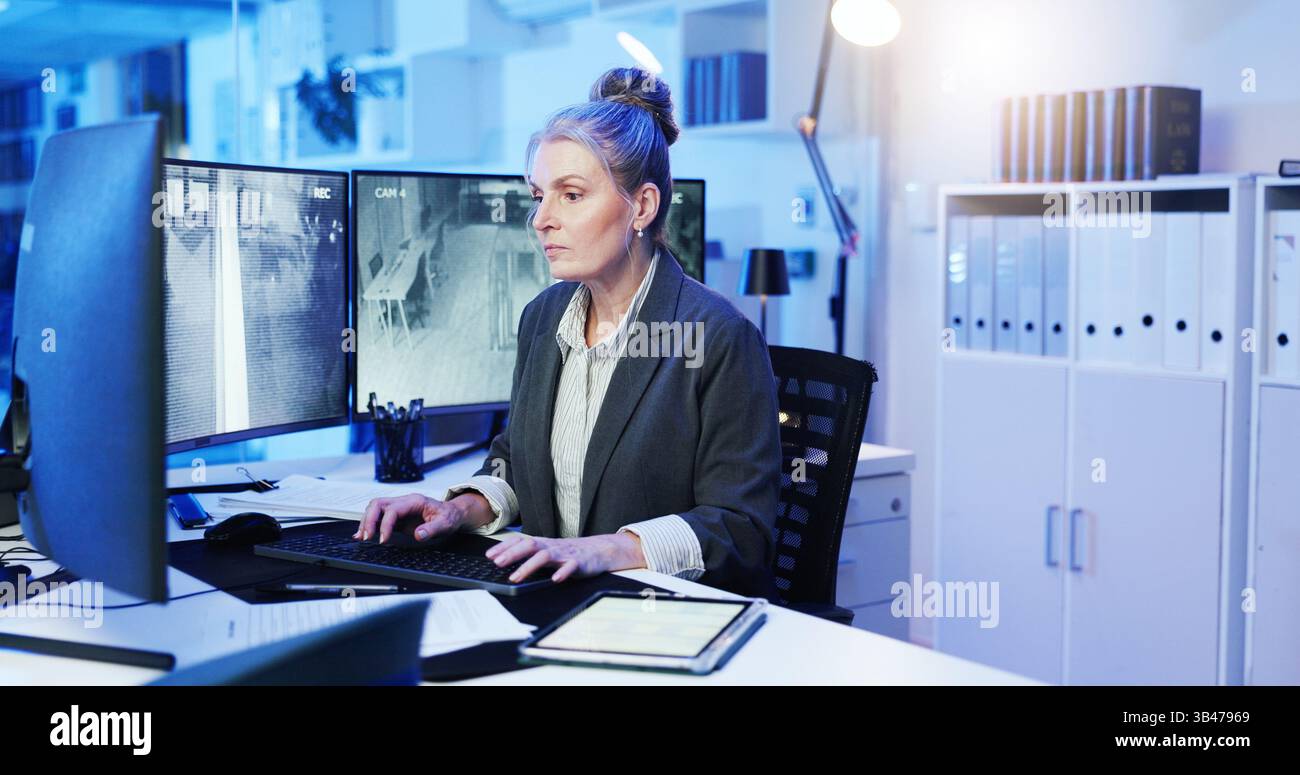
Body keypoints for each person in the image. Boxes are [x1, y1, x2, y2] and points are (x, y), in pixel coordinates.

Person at [356, 67, 782, 598]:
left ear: (642, 207)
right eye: (539, 195)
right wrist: (457, 509)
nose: (540, 219)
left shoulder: (716, 336)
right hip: (554, 597)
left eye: (571, 195)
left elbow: (741, 530)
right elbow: (518, 462)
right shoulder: (543, 318)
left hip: (656, 615)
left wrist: (602, 549)